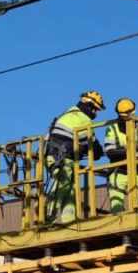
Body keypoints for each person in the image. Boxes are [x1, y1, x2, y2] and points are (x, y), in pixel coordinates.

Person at [45, 90, 105, 223]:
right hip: (62, 158)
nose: (96, 113)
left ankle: (69, 221)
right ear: (89, 106)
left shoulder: (68, 112)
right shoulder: (82, 118)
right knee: (63, 186)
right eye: (95, 109)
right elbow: (90, 141)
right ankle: (48, 220)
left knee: (71, 191)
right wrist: (98, 152)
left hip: (57, 156)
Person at [104, 97, 138, 212]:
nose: (125, 118)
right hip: (119, 170)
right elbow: (111, 152)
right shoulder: (113, 128)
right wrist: (134, 149)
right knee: (117, 206)